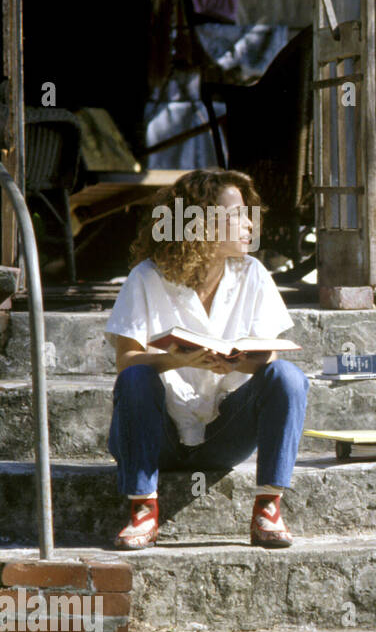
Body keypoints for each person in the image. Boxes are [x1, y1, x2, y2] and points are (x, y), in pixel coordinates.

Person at [104, 168, 308, 550]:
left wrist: (235, 362)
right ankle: (142, 509)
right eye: (237, 215)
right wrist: (181, 360)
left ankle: (268, 507)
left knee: (289, 376)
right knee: (135, 377)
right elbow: (125, 361)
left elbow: (270, 356)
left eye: (250, 214)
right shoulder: (146, 277)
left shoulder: (254, 274)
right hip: (158, 434)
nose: (250, 224)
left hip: (222, 434)